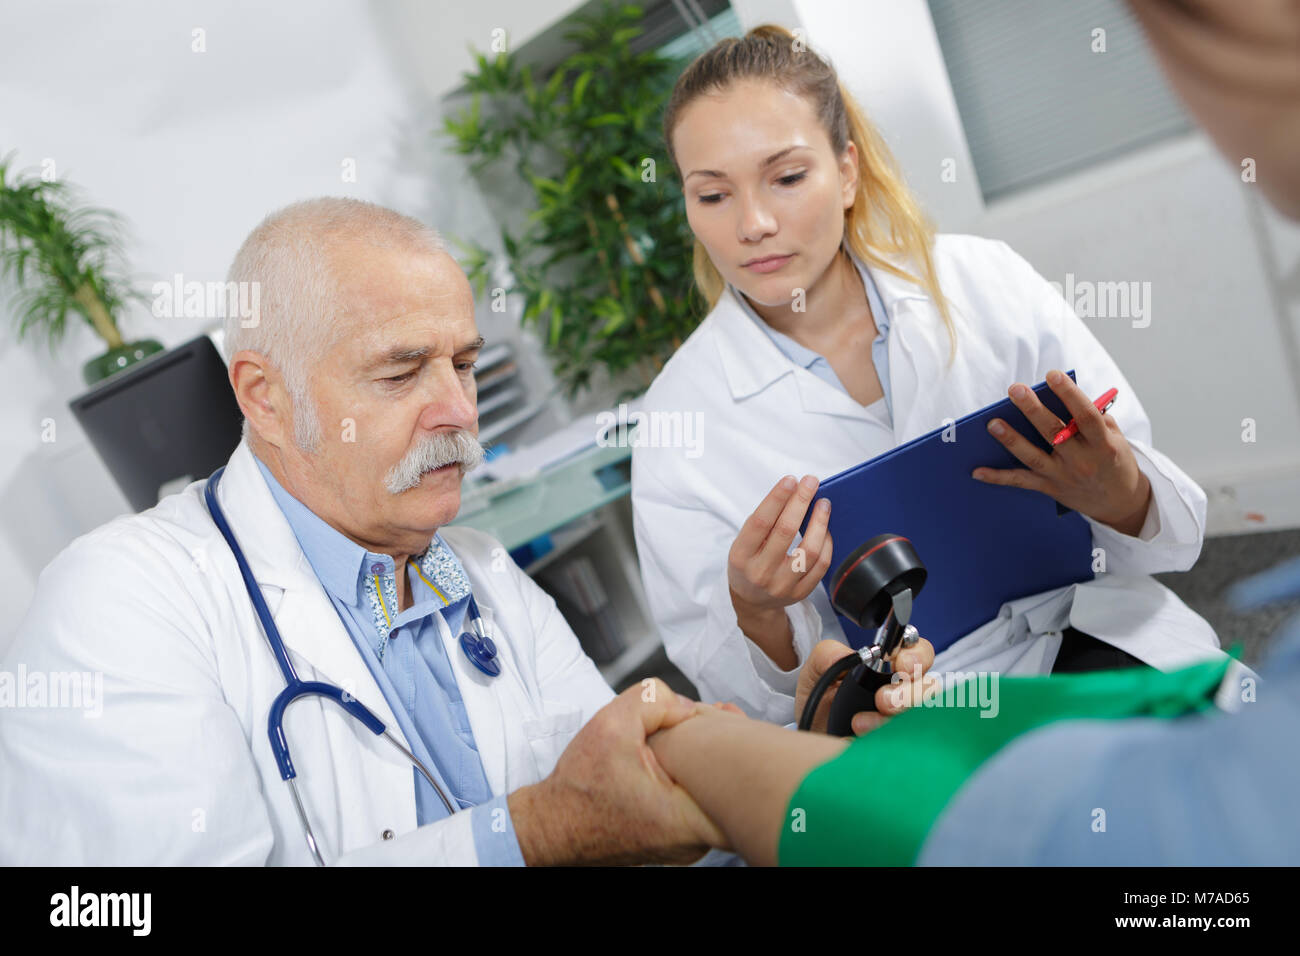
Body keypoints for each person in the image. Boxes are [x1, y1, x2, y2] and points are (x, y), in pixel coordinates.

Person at [642, 0, 1300, 866]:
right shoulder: (677, 422)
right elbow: (762, 714)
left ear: (846, 171)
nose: (752, 223)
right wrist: (760, 614)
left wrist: (1122, 493)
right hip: (912, 716)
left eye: (786, 177)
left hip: (1105, 633)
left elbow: (1169, 539)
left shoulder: (984, 282)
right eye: (712, 194)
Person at [0, 197, 739, 866]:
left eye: (464, 364)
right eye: (400, 375)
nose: (458, 410)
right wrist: (535, 831)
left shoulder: (479, 570)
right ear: (266, 398)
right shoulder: (119, 601)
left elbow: (621, 804)